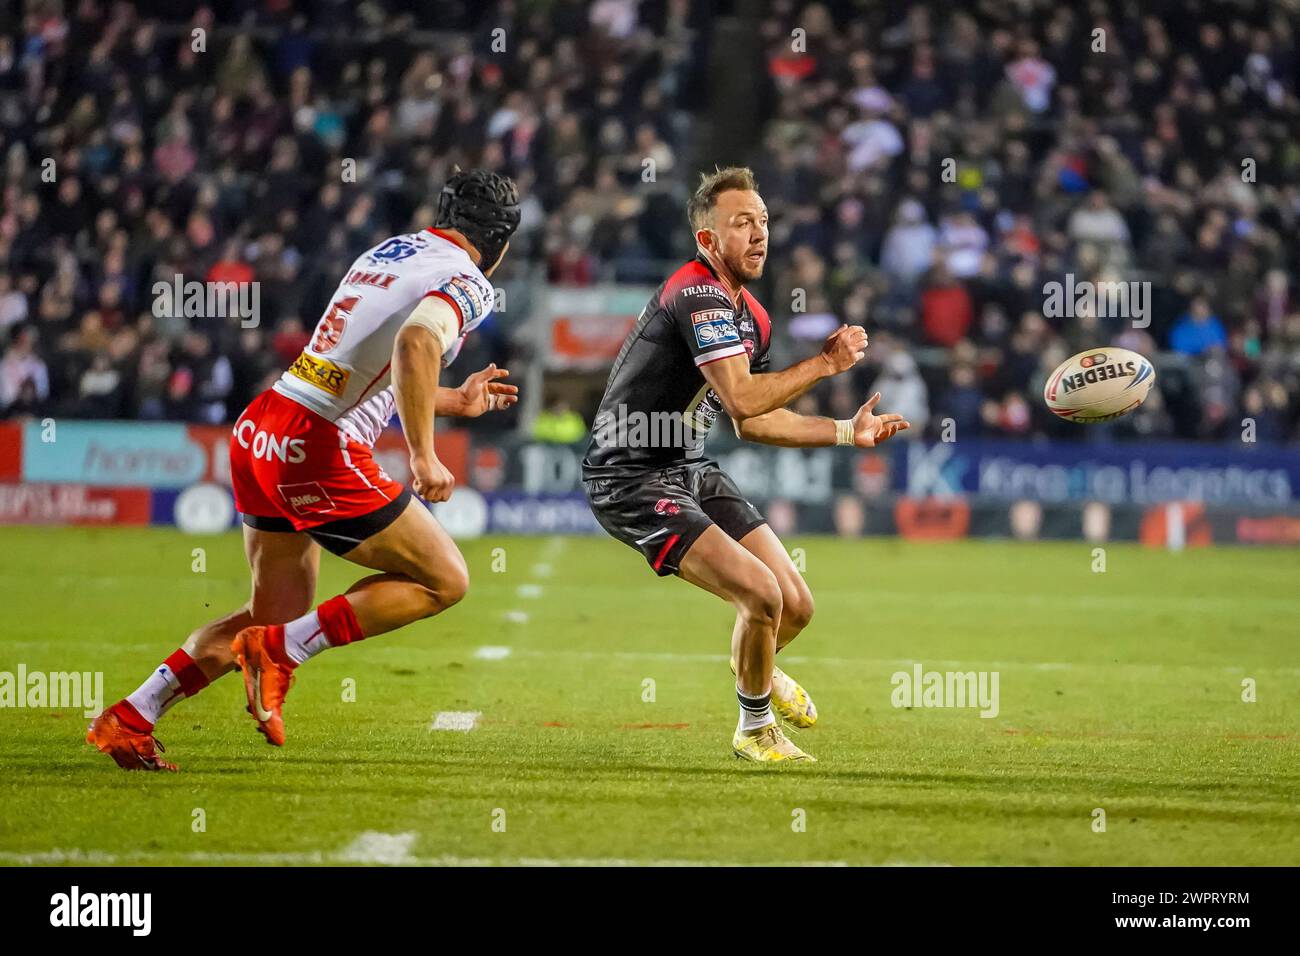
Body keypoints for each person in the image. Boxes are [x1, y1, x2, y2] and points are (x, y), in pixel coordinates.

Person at [86, 170, 522, 770]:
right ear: (499, 242)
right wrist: (424, 454)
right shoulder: (466, 279)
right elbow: (416, 346)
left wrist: (453, 401)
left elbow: (362, 369)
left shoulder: (390, 251)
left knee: (272, 613)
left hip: (264, 423)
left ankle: (131, 716)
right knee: (443, 580)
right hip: (315, 443)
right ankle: (281, 652)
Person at [581, 167, 909, 763]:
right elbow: (743, 397)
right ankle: (754, 728)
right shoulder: (696, 292)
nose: (759, 234)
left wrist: (843, 431)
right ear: (708, 241)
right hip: (628, 474)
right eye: (742, 224)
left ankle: (753, 670)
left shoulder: (752, 316)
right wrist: (824, 366)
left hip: (689, 467)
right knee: (760, 595)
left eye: (763, 222)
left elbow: (752, 423)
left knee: (796, 605)